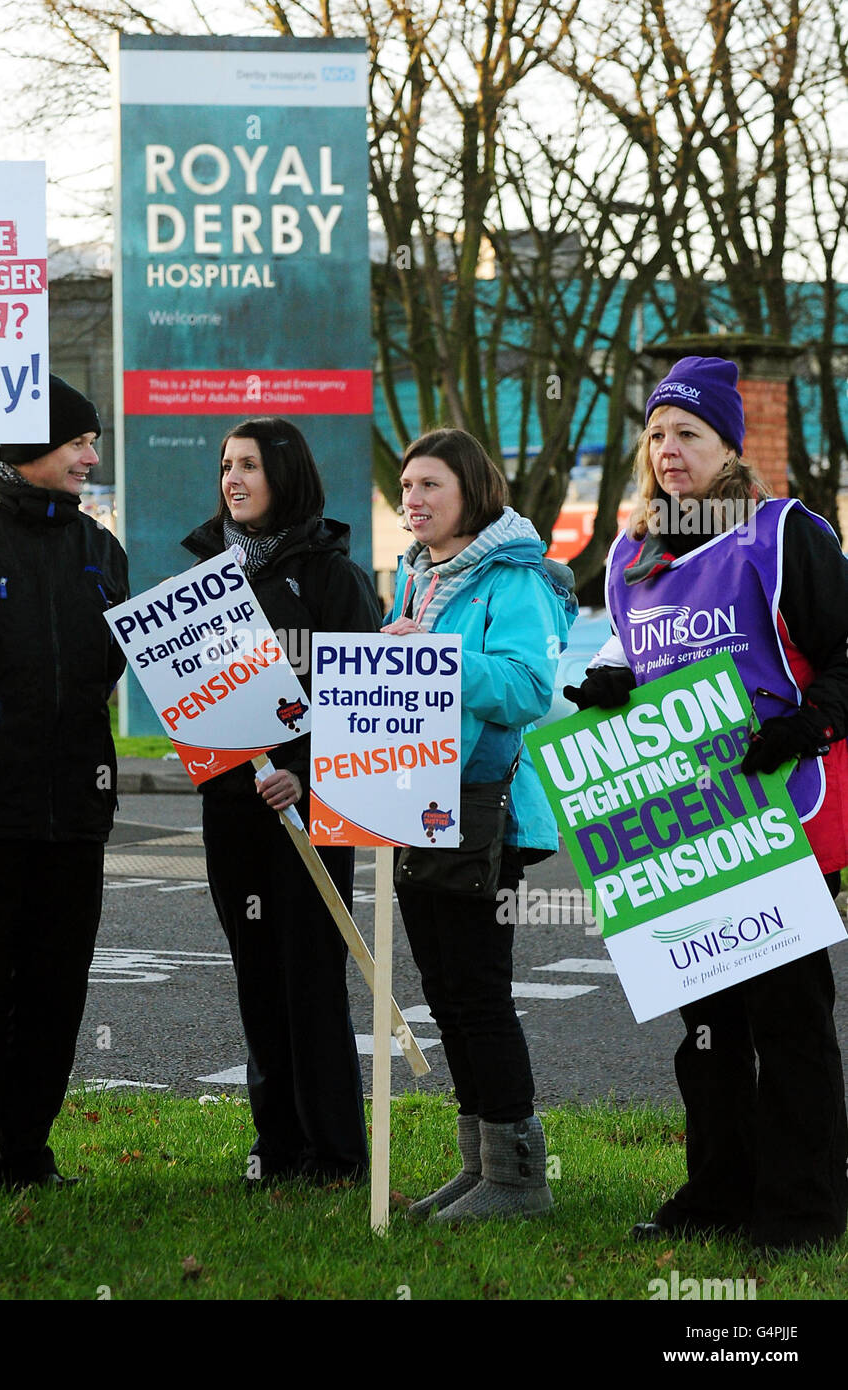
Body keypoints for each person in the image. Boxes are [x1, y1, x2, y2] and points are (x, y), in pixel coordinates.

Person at [566, 354, 848, 1252]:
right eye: (654, 433)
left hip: (777, 811)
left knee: (788, 1017)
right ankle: (718, 1191)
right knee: (705, 1023)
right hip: (678, 822)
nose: (667, 448)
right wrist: (608, 684)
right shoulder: (631, 554)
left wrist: (804, 725)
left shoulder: (781, 533)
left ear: (729, 444)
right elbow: (632, 657)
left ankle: (801, 1208)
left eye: (686, 431)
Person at [0, 375, 128, 1196]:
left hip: (76, 808)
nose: (90, 455)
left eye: (92, 441)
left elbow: (128, 660)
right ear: (30, 446)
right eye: (77, 440)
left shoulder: (99, 549)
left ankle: (25, 1155)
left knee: (55, 992)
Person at [382, 428, 576, 1225]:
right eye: (404, 488)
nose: (412, 501)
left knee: (479, 992)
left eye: (428, 485)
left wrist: (433, 652)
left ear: (470, 490)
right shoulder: (414, 576)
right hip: (413, 797)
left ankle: (520, 1178)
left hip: (483, 808)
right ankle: (482, 1169)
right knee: (445, 990)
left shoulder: (515, 577)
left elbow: (530, 689)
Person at [181, 417, 381, 1184]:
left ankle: (334, 1155)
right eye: (225, 465)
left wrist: (305, 768)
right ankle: (277, 1147)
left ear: (285, 476)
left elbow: (359, 699)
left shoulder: (332, 576)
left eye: (249, 466)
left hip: (308, 811)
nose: (232, 480)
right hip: (229, 809)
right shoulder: (204, 577)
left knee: (310, 981)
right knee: (255, 975)